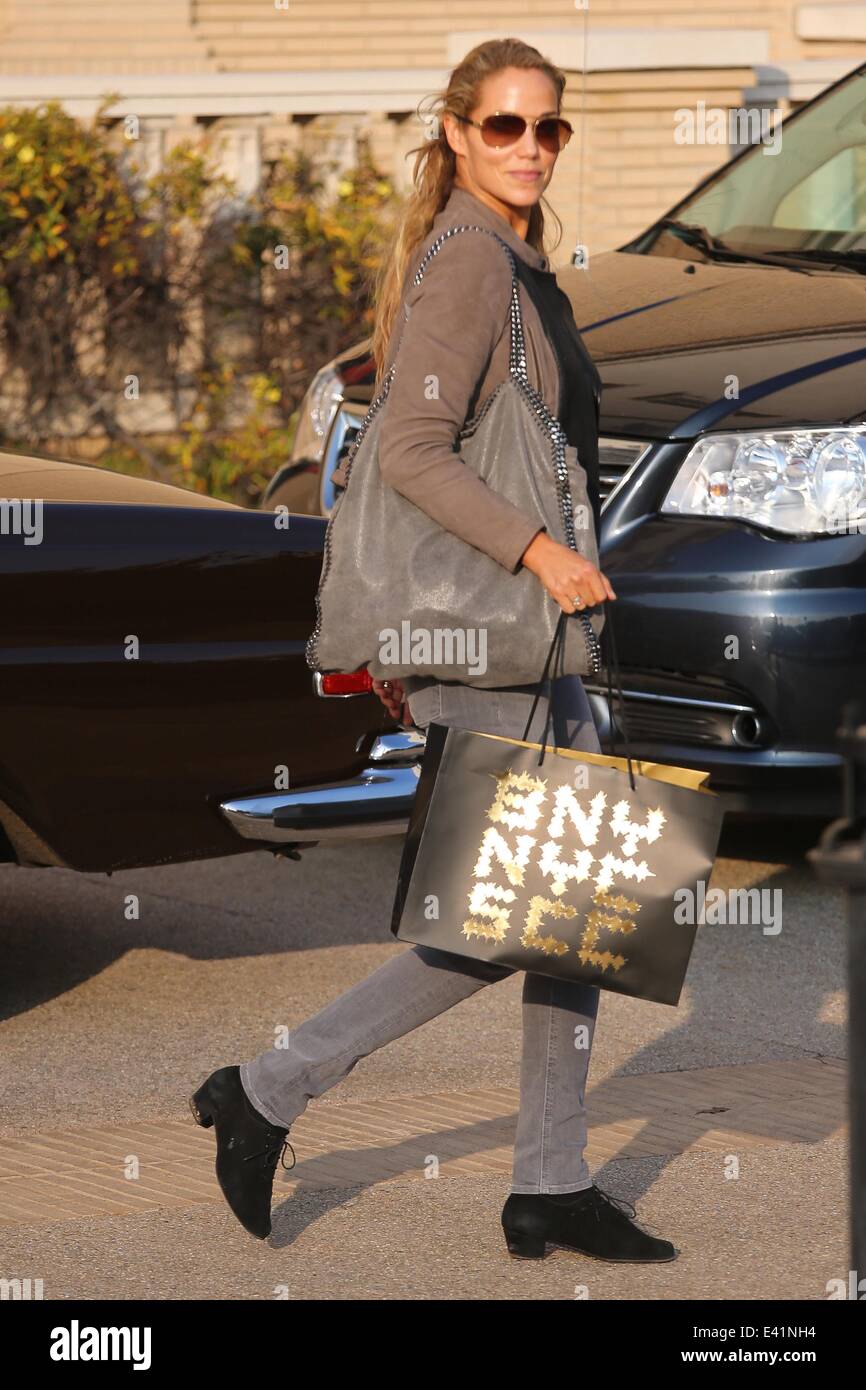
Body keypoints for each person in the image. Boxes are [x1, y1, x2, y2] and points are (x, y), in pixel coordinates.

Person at [190, 36, 678, 1265]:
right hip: (498, 630)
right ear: (458, 132)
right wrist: (539, 553)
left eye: (547, 128)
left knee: (571, 906)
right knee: (500, 920)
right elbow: (407, 452)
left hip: (540, 635)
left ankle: (550, 1182)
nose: (527, 147)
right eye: (504, 126)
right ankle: (268, 1087)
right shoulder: (470, 263)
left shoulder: (512, 260)